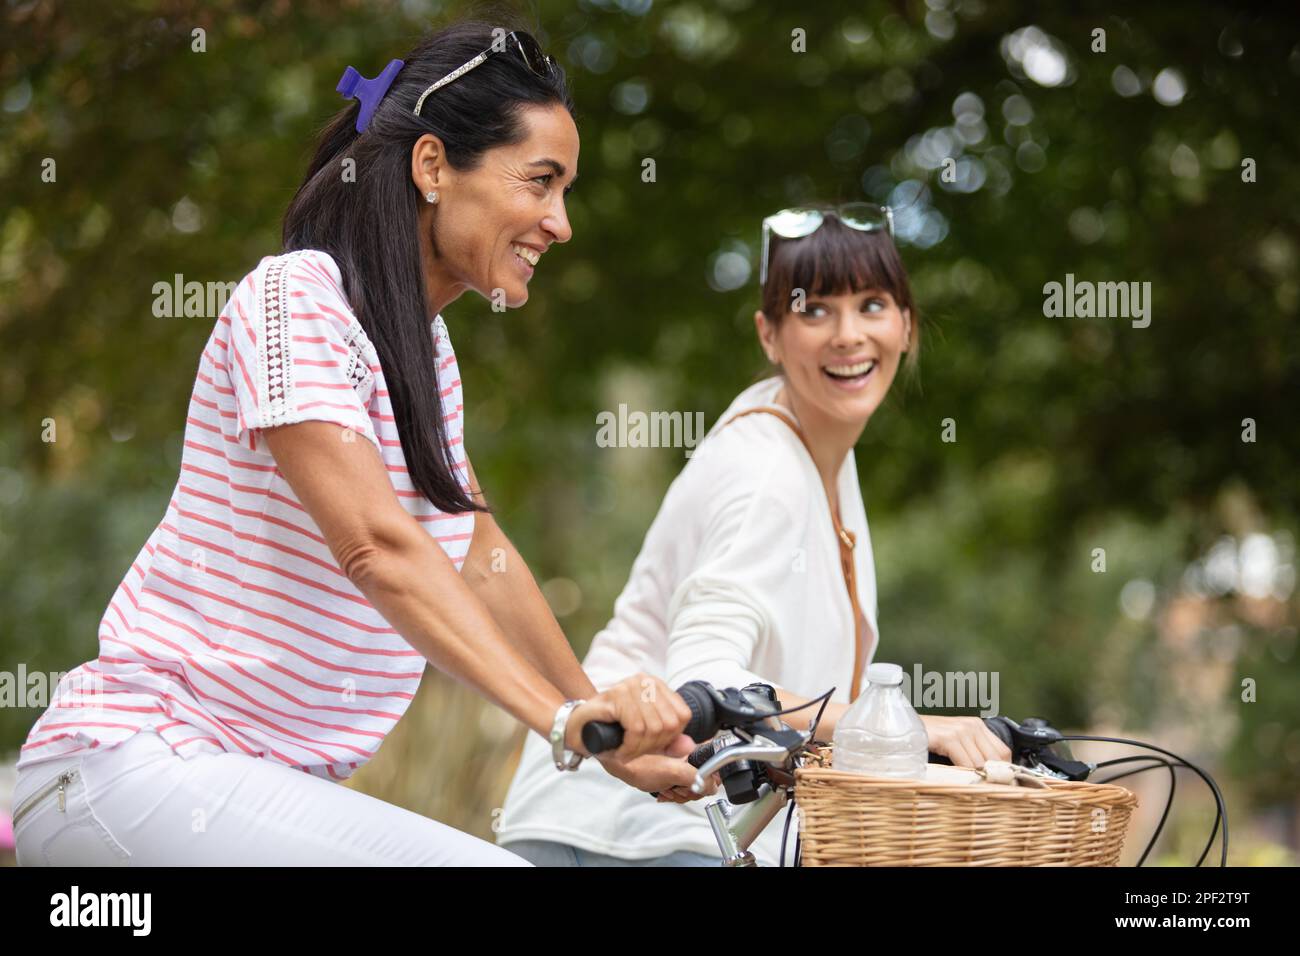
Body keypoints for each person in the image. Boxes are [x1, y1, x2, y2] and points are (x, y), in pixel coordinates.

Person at [11, 19, 701, 868]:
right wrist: (564, 724)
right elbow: (377, 544)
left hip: (244, 785)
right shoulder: (295, 298)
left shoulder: (425, 350)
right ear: (433, 166)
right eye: (540, 182)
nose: (560, 223)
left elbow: (479, 553)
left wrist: (602, 727)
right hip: (134, 767)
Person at [495, 204, 1012, 866]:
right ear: (769, 334)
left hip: (640, 825)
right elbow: (708, 674)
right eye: (815, 310)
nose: (848, 335)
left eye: (873, 305)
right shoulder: (769, 471)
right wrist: (912, 728)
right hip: (629, 832)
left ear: (907, 325)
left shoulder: (818, 451)